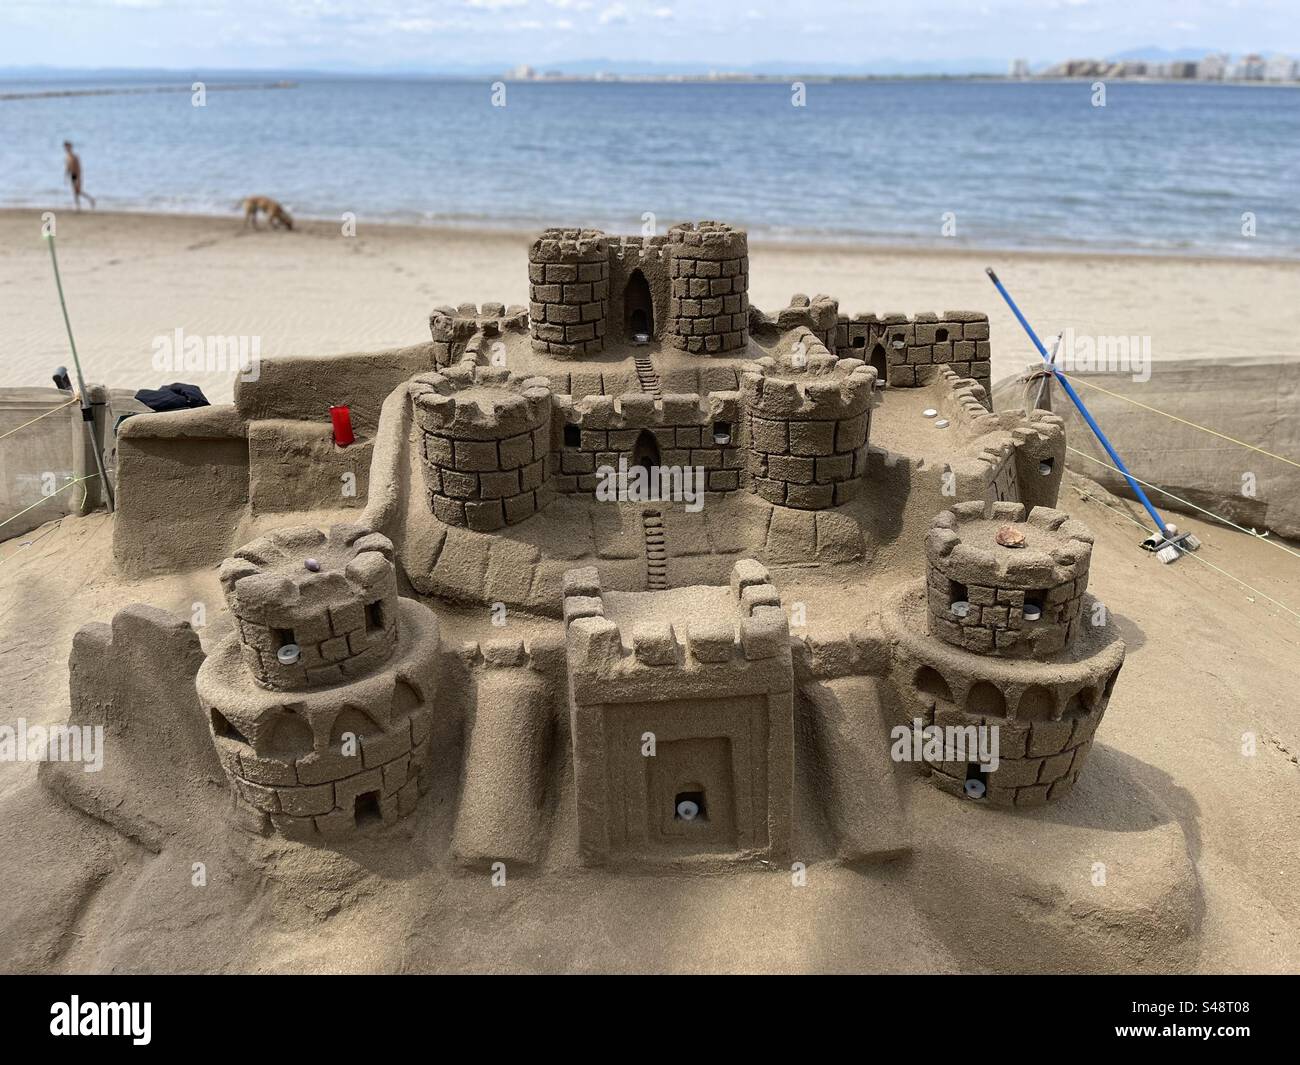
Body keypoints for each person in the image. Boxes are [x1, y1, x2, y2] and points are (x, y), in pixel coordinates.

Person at [64, 141, 96, 211]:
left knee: (78, 191)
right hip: (72, 175)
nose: (67, 148)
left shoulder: (75, 157)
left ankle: (90, 200)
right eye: (66, 147)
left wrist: (78, 178)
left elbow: (79, 168)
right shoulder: (67, 157)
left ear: (71, 147)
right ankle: (79, 206)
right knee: (75, 192)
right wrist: (66, 176)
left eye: (68, 147)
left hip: (76, 175)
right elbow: (67, 168)